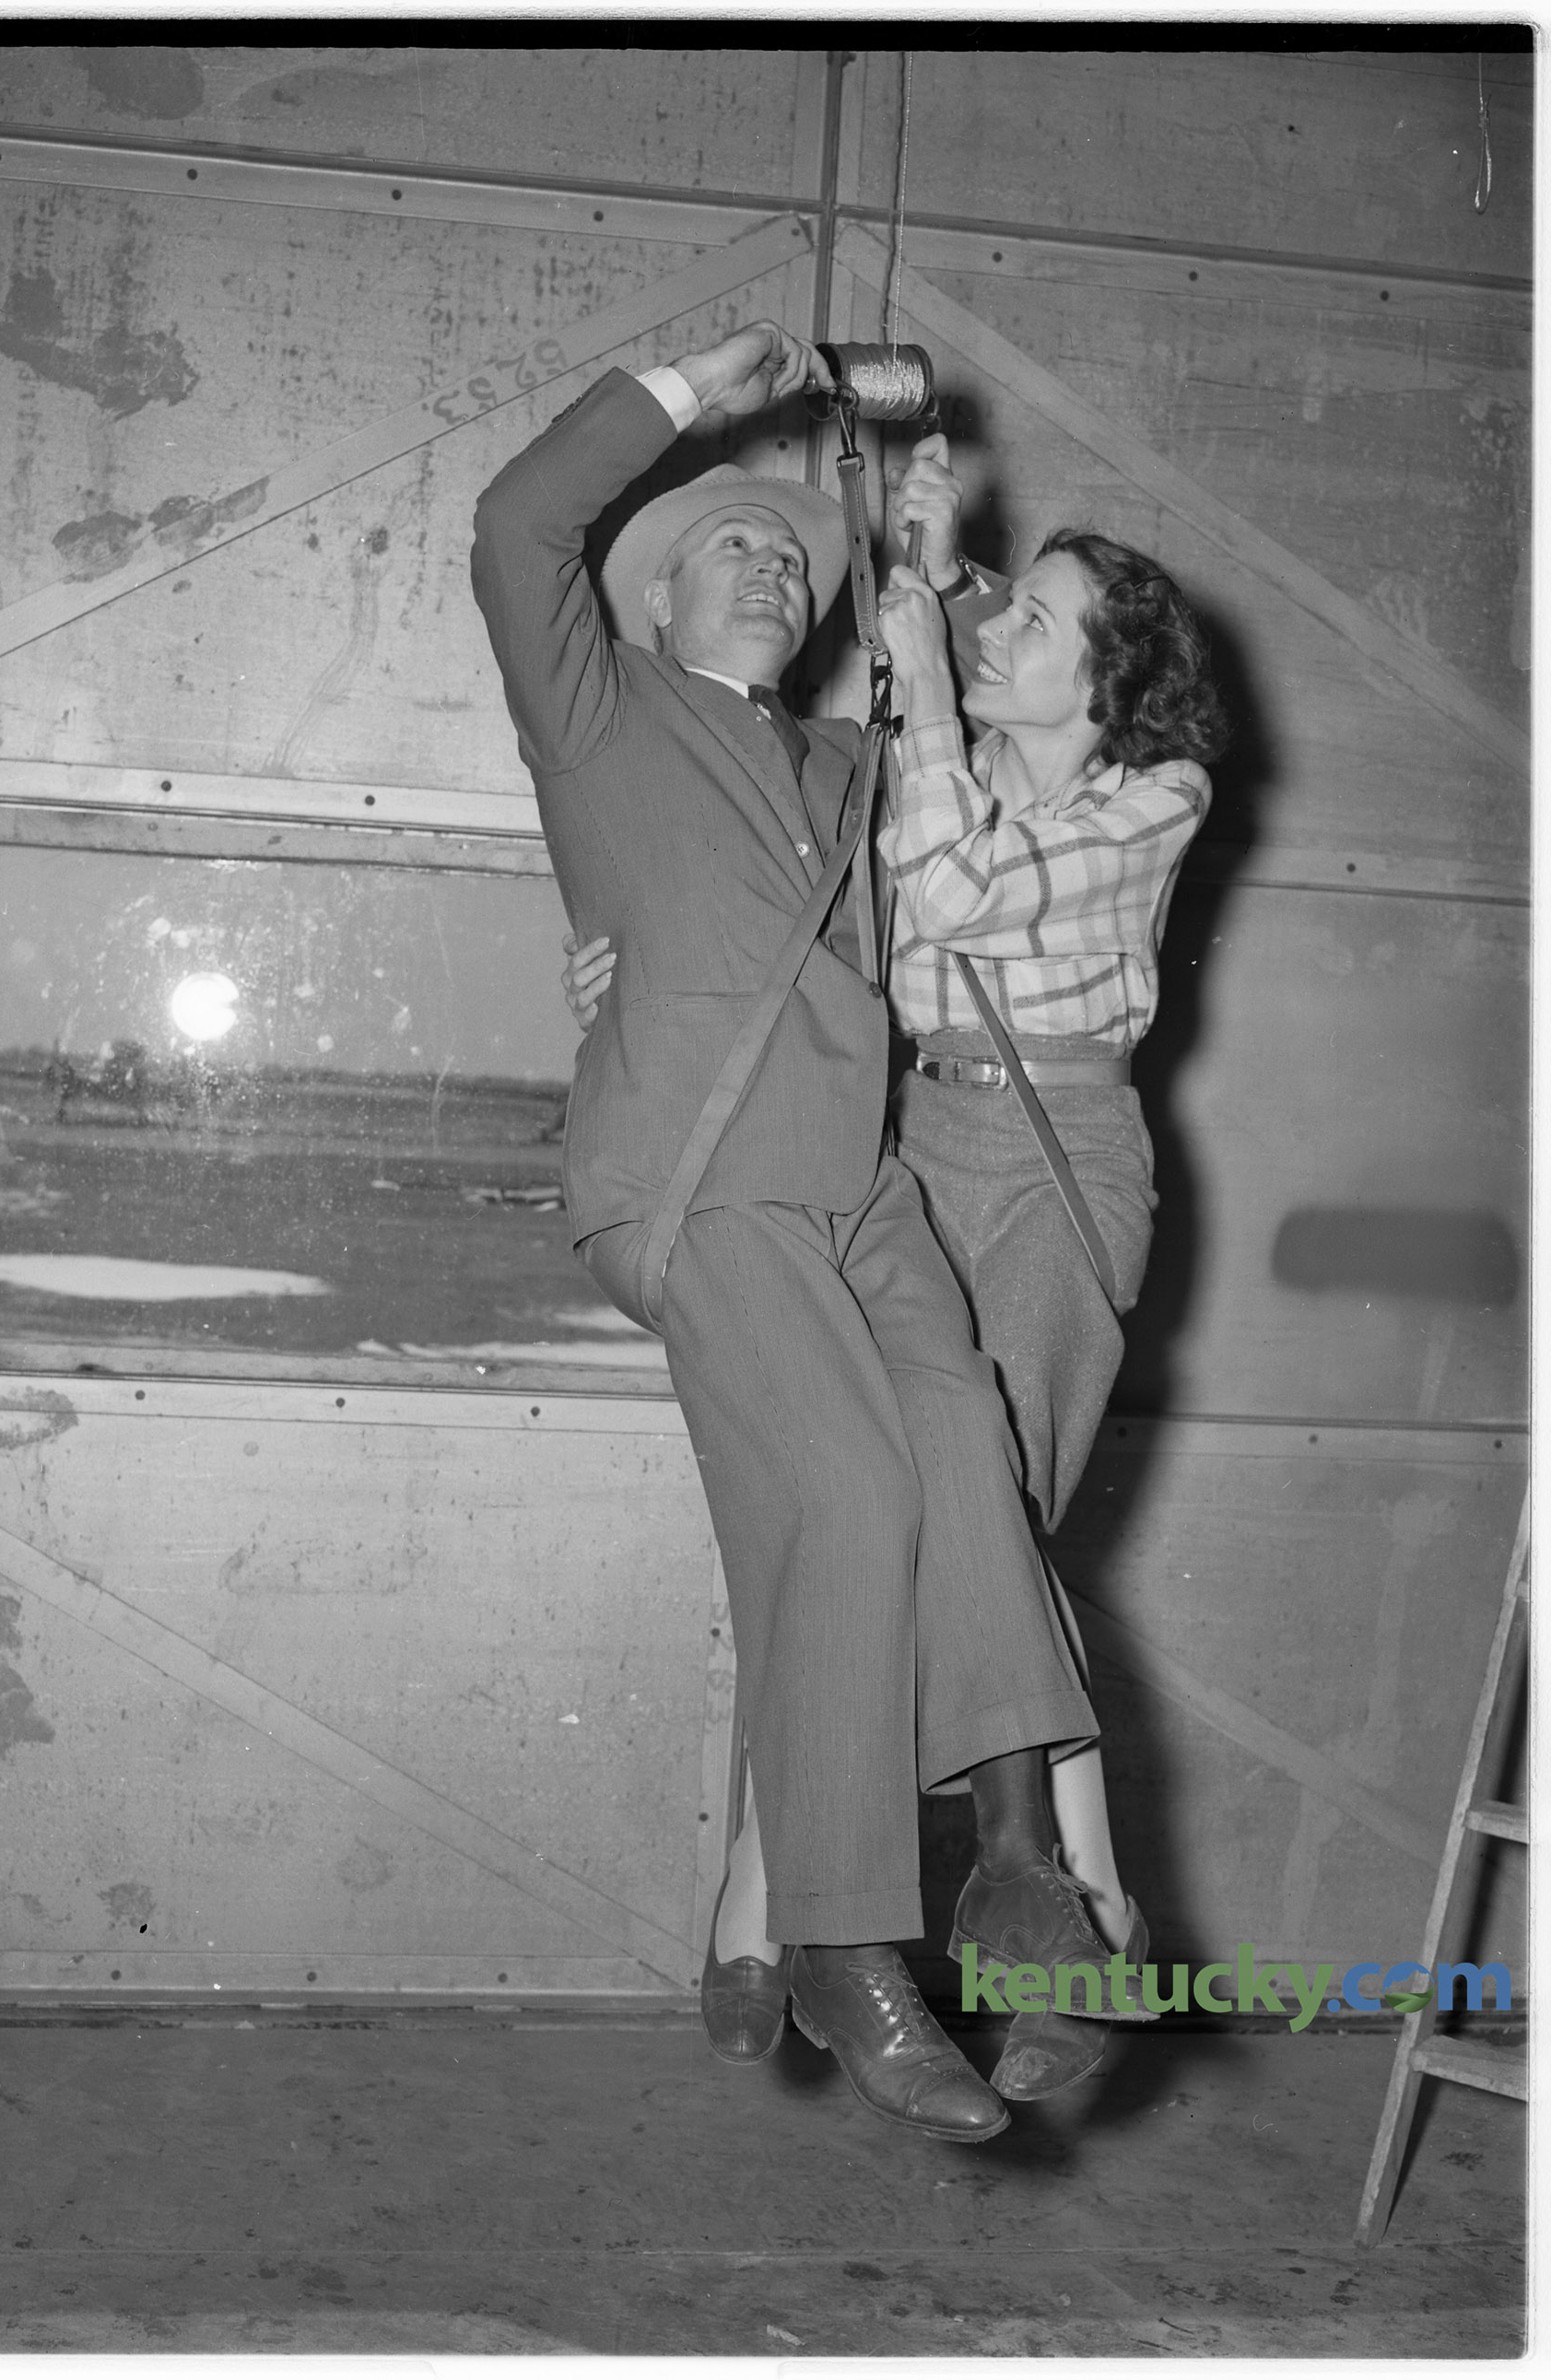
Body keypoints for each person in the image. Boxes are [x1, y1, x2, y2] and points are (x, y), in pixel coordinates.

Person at [472, 320, 1124, 2144]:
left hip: (864, 1186)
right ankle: (841, 1938)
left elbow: (1011, 680)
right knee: (844, 1494)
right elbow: (515, 523)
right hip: (704, 1187)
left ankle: (1021, 1869)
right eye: (727, 548)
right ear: (655, 603)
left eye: (787, 554)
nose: (768, 565)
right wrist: (706, 387)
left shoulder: (852, 765)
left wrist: (930, 534)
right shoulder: (599, 714)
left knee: (964, 1457)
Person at [564, 430, 1228, 2101]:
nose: (1001, 630)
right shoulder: (918, 762)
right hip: (899, 1142)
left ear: (1107, 679)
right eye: (1010, 609)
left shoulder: (1154, 794)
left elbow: (959, 885)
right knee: (857, 1513)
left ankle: (1071, 1907)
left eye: (1039, 623)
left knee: (999, 1520)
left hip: (1059, 1155)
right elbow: (761, 905)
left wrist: (928, 662)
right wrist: (626, 968)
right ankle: (828, 1890)